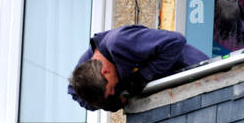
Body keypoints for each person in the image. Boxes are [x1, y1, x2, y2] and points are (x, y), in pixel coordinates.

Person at [68, 24, 209, 111]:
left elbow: (176, 41)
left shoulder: (120, 42)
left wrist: (143, 76)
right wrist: (107, 103)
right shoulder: (84, 73)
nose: (114, 91)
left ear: (105, 72)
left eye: (111, 89)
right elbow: (74, 93)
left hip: (196, 74)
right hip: (169, 97)